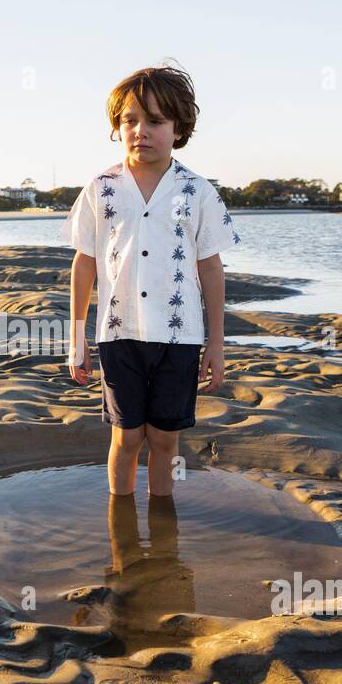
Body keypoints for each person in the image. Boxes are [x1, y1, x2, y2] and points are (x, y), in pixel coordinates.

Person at [61, 63, 240, 497]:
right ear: (117, 127)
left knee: (164, 439)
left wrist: (216, 343)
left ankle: (163, 525)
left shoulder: (197, 190)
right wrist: (77, 338)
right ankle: (120, 524)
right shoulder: (101, 187)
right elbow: (84, 264)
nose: (141, 130)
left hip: (179, 337)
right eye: (130, 120)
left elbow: (210, 268)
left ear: (179, 128)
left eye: (156, 121)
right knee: (126, 438)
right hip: (119, 333)